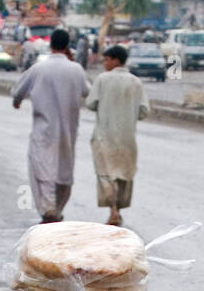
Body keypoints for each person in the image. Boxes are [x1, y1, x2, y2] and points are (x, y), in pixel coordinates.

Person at [12, 27, 90, 222]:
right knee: (65, 169)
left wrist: (17, 101)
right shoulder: (76, 69)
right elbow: (87, 92)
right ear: (67, 46)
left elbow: (17, 92)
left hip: (43, 129)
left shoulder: (39, 68)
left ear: (51, 44)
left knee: (42, 167)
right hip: (68, 130)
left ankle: (48, 208)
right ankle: (58, 208)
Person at [85, 45, 150, 226]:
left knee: (106, 173)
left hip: (103, 136)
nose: (105, 63)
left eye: (107, 59)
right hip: (127, 138)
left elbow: (91, 103)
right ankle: (118, 209)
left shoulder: (102, 79)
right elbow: (144, 111)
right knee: (124, 174)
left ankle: (112, 209)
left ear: (115, 60)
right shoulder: (136, 82)